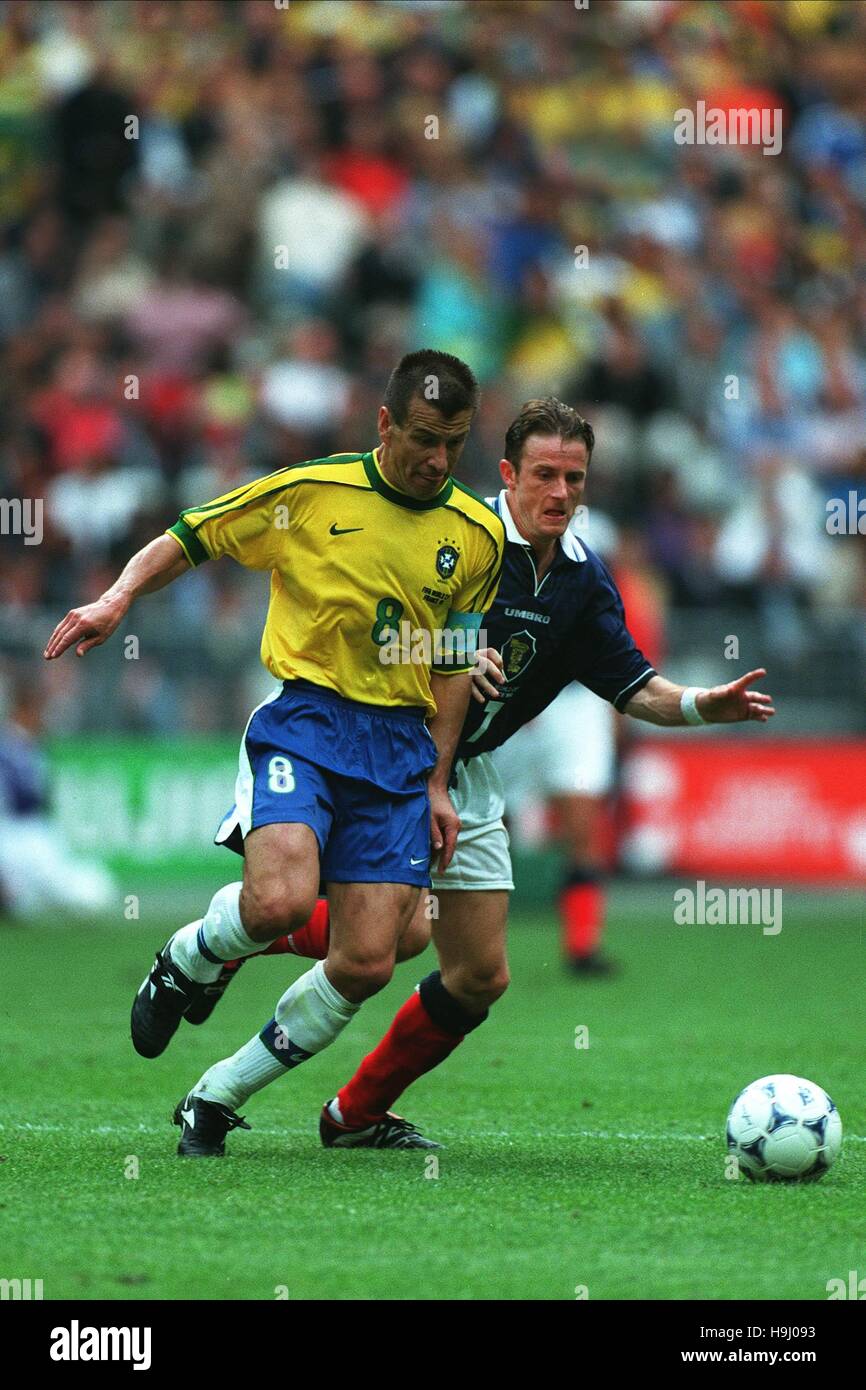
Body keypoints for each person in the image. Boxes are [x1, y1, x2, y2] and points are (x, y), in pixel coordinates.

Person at [199, 397, 775, 1151]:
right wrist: (444, 655)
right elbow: (369, 635)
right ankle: (221, 1008)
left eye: (574, 478)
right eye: (544, 475)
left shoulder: (582, 582)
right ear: (508, 474)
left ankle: (354, 1112)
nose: (560, 493)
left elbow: (636, 688)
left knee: (476, 974)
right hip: (387, 756)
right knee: (379, 944)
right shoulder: (452, 536)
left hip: (467, 776)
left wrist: (704, 706)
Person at [44, 349, 506, 1158]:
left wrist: (437, 782)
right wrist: (117, 596)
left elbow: (452, 665)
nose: (438, 460)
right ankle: (188, 957)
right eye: (425, 438)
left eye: (455, 444)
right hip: (308, 723)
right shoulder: (309, 492)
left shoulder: (475, 536)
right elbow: (193, 535)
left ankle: (215, 1095)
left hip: (399, 750)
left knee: (370, 959)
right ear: (385, 422)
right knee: (280, 903)